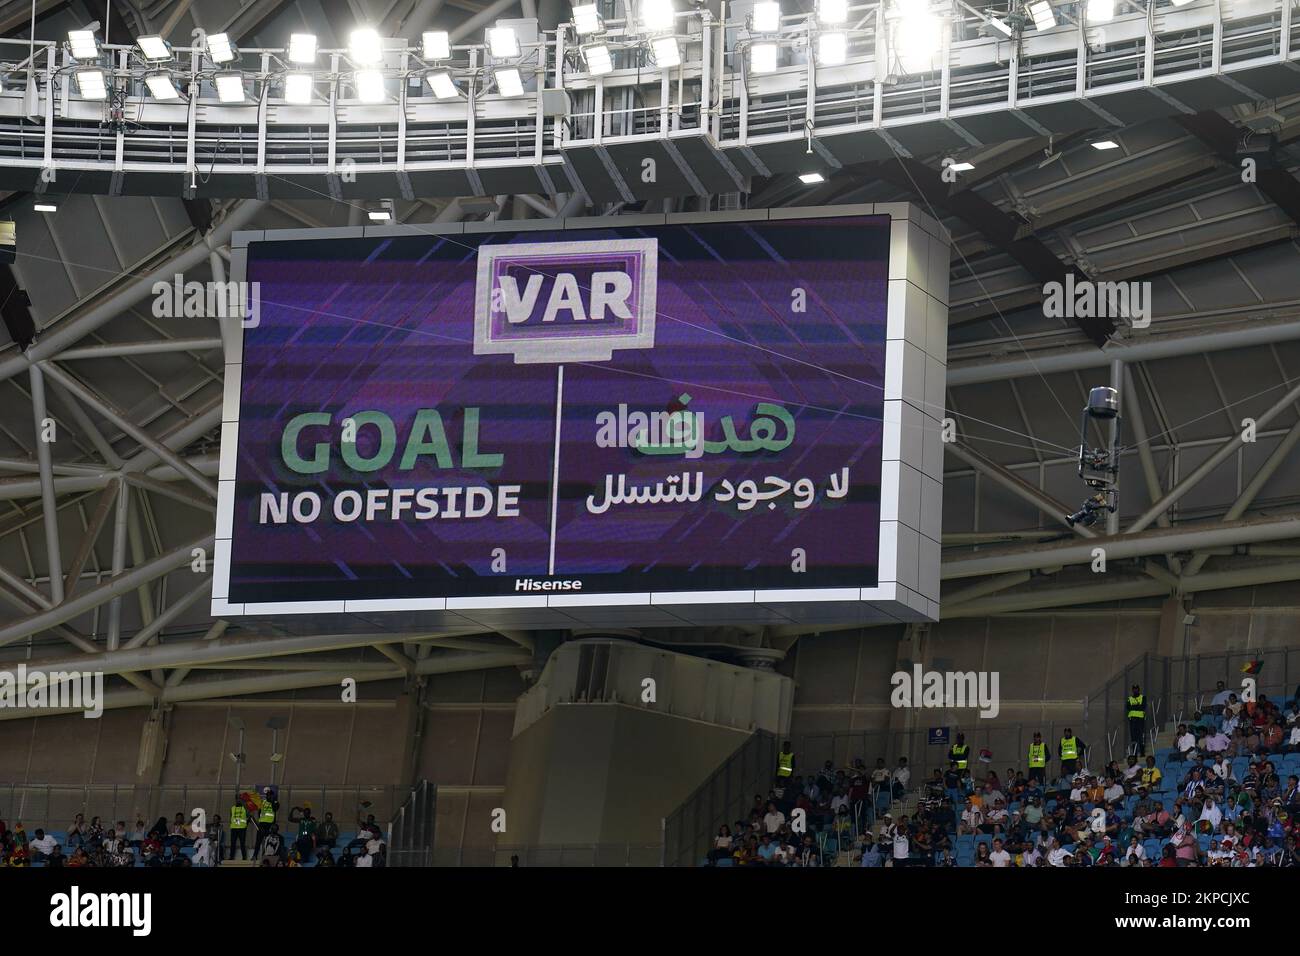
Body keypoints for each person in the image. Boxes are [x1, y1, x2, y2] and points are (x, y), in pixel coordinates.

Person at [252, 787, 278, 858]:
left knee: (269, 841)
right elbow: (259, 812)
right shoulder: (262, 802)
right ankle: (254, 855)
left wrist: (272, 801)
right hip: (262, 823)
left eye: (270, 795)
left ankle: (266, 856)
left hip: (270, 824)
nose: (269, 796)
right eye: (268, 795)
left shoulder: (275, 802)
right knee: (258, 840)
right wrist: (260, 820)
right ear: (266, 796)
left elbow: (275, 809)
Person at [1127, 684, 1147, 756]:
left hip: (1140, 719)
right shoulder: (1129, 698)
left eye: (1136, 689)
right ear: (1132, 690)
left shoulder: (1143, 697)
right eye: (1134, 689)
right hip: (1132, 720)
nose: (1135, 690)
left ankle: (1142, 752)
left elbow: (1143, 707)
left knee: (1141, 736)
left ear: (1139, 689)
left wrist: (1134, 706)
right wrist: (1138, 706)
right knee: (1133, 737)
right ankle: (1134, 753)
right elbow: (1128, 708)